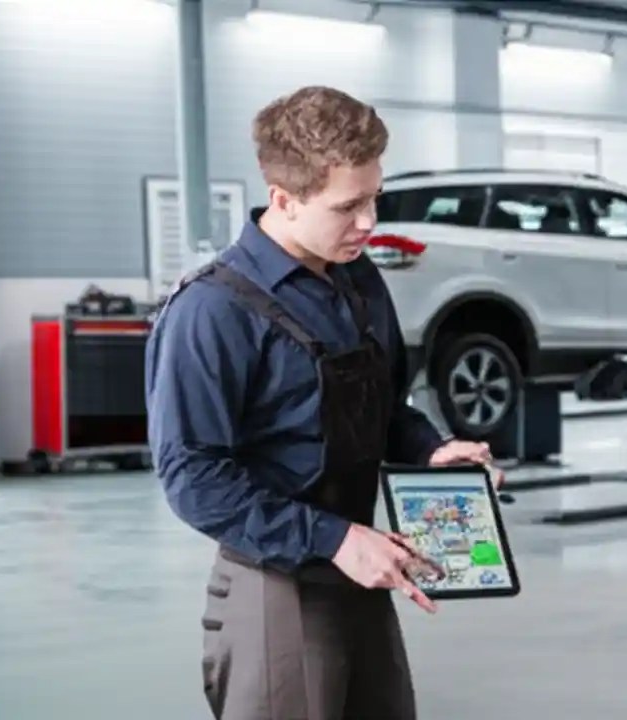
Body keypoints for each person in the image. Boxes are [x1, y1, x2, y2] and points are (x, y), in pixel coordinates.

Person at [145, 85, 500, 720]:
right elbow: (192, 477)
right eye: (348, 206)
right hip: (276, 585)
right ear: (283, 199)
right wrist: (333, 540)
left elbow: (388, 408)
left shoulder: (359, 281)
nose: (369, 222)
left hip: (362, 567)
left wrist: (433, 449)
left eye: (374, 199)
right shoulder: (211, 310)